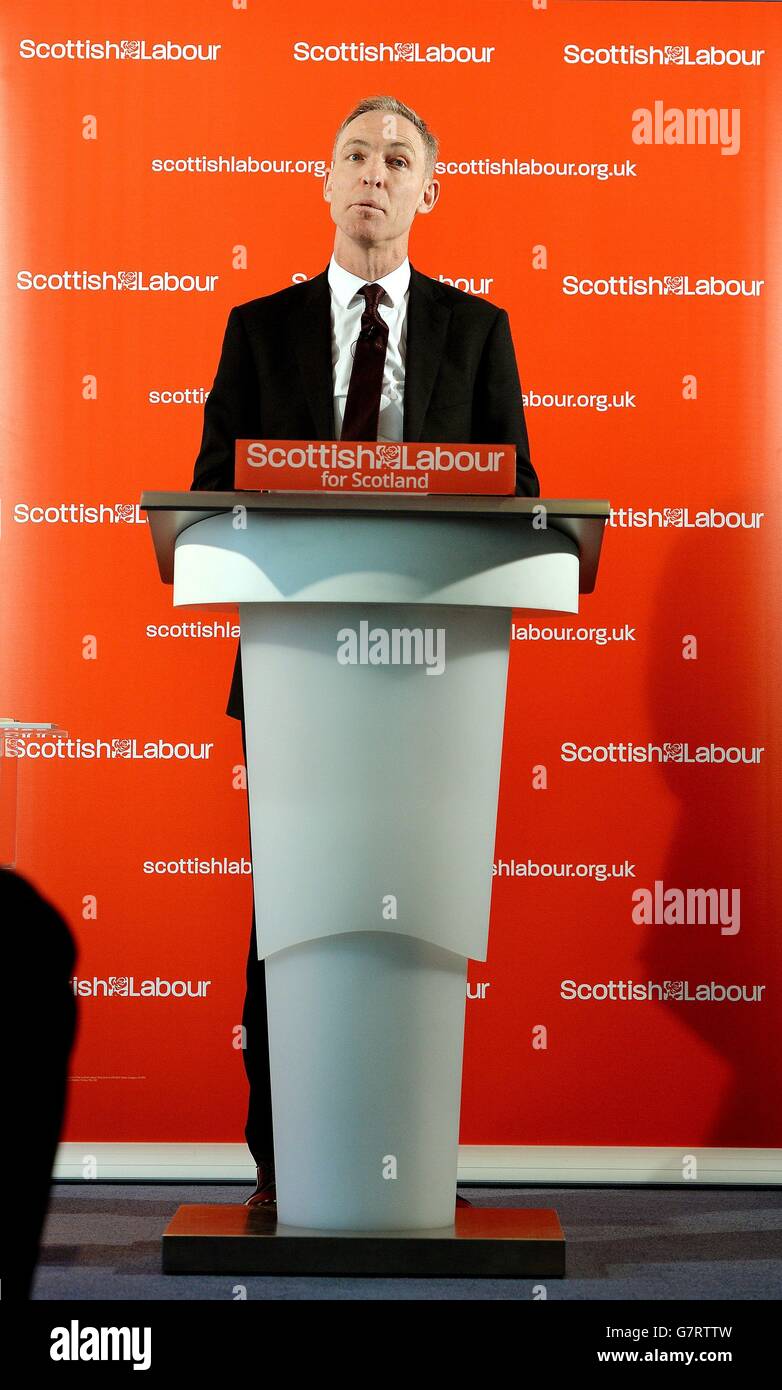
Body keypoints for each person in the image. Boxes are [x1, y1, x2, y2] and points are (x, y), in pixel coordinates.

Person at [190, 94, 540, 1207]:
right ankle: (287, 1168)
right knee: (292, 917)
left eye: (398, 159)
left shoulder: (475, 331)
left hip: (430, 682)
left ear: (428, 191)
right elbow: (205, 493)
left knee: (417, 907)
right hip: (300, 679)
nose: (373, 175)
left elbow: (521, 496)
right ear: (322, 181)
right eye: (354, 155)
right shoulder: (259, 328)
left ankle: (405, 1155)